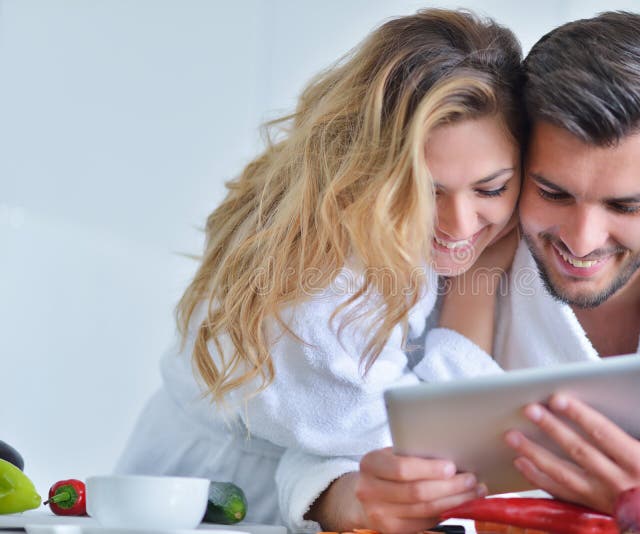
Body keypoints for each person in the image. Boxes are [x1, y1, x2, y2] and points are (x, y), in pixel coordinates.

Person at [300, 11, 640, 534]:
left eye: (625, 206)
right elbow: (324, 435)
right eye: (553, 193)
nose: (581, 241)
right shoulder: (465, 232)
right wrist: (352, 498)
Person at [115, 8, 527, 527]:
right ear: (370, 166)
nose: (460, 223)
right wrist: (476, 287)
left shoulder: (374, 221)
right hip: (211, 500)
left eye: (491, 188)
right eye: (424, 190)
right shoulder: (318, 280)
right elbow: (415, 448)